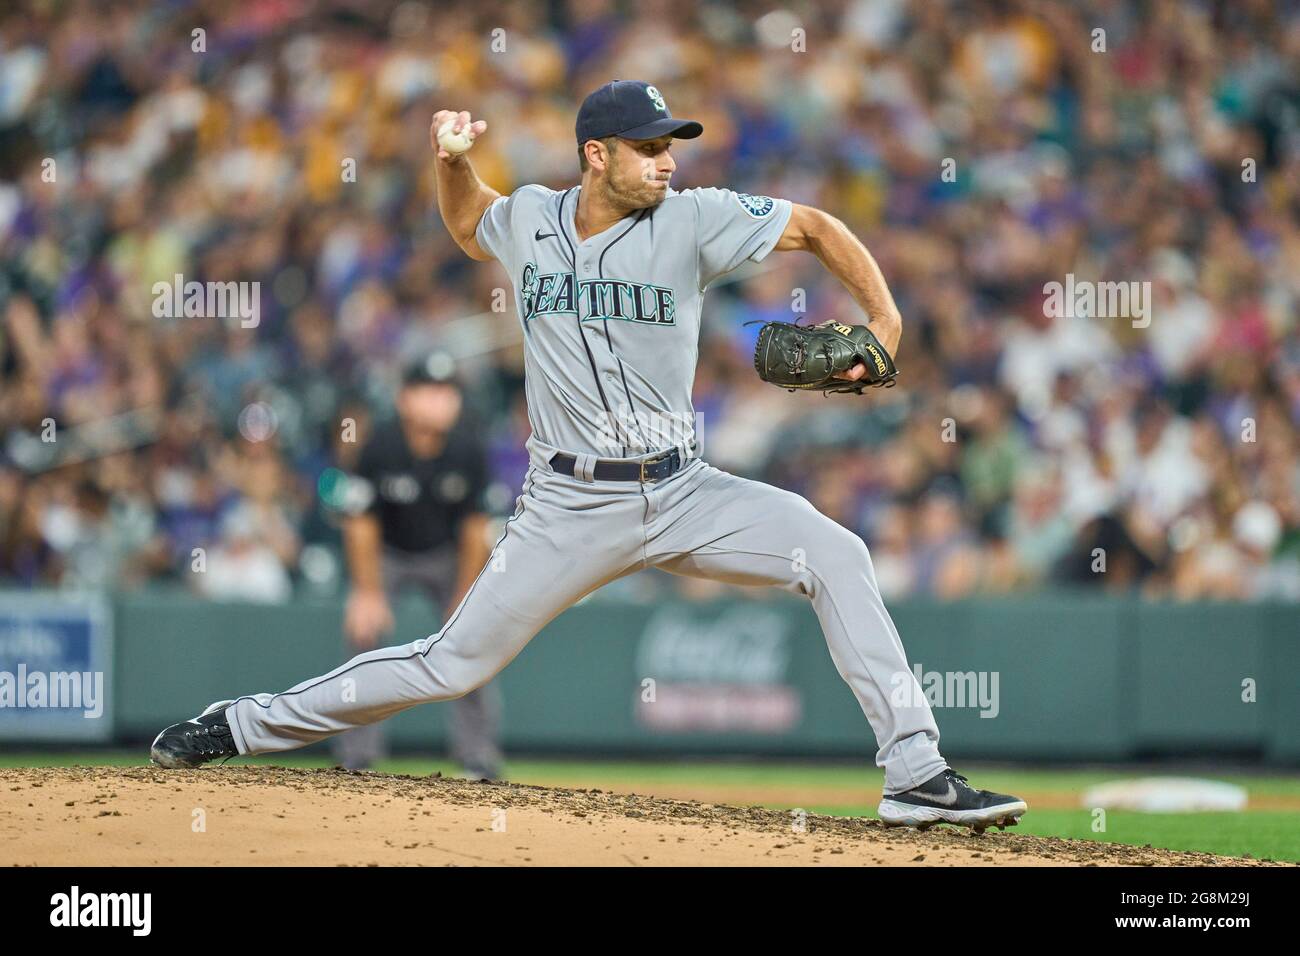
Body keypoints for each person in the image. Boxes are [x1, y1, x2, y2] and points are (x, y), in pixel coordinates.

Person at [151, 80, 1026, 832]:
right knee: (452, 663)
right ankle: (240, 725)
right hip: (568, 507)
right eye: (649, 147)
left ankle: (916, 774)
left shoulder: (695, 219)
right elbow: (467, 227)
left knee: (837, 553)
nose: (668, 159)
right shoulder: (530, 217)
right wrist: (452, 162)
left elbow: (819, 227)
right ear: (596, 155)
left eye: (671, 144)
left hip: (687, 491)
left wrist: (885, 320)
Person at [333, 353, 502, 780]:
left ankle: (477, 756)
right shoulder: (380, 445)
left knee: (473, 637)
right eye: (430, 391)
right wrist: (367, 591)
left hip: (447, 555)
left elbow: (475, 530)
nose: (442, 401)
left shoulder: (467, 447)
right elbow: (360, 524)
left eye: (448, 392)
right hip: (388, 552)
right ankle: (357, 756)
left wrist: (465, 596)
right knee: (364, 632)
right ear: (405, 399)